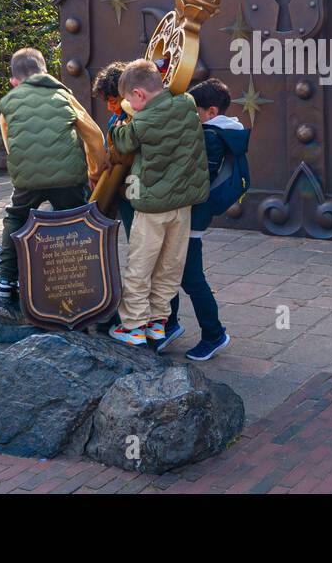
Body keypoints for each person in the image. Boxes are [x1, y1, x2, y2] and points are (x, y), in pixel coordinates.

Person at [0, 47, 108, 307]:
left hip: (28, 178)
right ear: (46, 72)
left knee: (16, 218)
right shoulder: (63, 95)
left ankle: (6, 280)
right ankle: (85, 279)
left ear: (14, 81)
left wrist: (26, 169)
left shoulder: (8, 102)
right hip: (68, 177)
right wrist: (94, 171)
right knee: (76, 220)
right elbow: (94, 136)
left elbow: (10, 142)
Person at [107, 59, 208, 346]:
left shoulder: (143, 121)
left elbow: (122, 143)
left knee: (141, 265)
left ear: (139, 94)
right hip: (183, 204)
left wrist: (119, 123)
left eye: (130, 100)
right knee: (169, 265)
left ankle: (134, 326)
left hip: (152, 207)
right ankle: (158, 322)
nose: (130, 105)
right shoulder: (187, 102)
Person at [157, 78, 244, 361]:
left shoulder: (210, 136)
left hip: (192, 215)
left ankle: (214, 334)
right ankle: (169, 325)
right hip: (193, 212)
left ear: (211, 111)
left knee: (191, 278)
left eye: (195, 111)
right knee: (170, 269)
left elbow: (196, 177)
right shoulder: (220, 131)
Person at [90, 61, 134, 237]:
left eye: (113, 101)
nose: (110, 107)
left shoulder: (140, 118)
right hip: (122, 187)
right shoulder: (113, 121)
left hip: (137, 187)